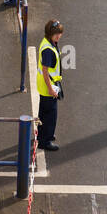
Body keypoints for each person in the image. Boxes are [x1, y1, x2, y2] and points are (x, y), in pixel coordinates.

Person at [37, 19, 65, 152]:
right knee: (50, 115)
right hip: (49, 87)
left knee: (43, 112)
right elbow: (45, 70)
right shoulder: (48, 50)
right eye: (56, 33)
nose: (59, 36)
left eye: (59, 33)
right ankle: (45, 141)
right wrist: (50, 89)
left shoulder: (48, 42)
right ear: (50, 33)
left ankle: (41, 135)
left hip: (45, 85)